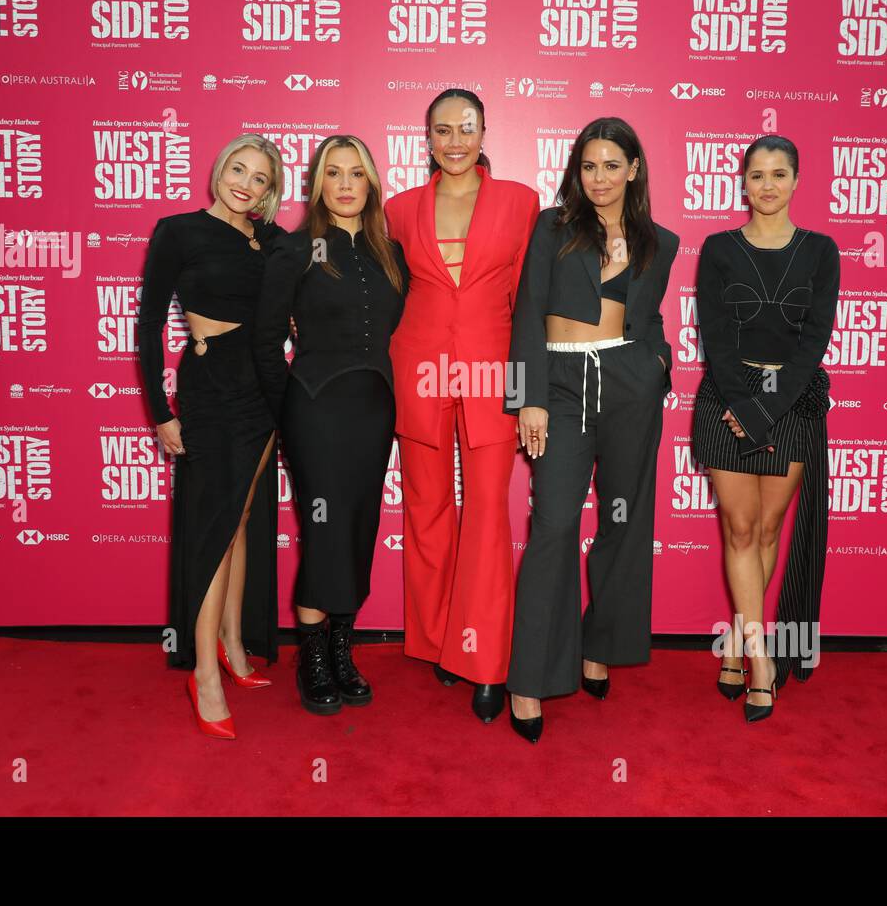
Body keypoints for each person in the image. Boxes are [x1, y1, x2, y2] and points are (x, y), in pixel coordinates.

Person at [504, 117, 678, 743]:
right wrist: (528, 398)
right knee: (553, 523)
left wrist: (658, 366)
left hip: (630, 385)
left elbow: (649, 316)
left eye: (611, 165)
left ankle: (599, 644)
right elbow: (527, 311)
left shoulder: (660, 240)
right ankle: (530, 678)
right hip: (559, 384)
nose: (599, 178)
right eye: (589, 166)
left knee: (623, 522)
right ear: (576, 171)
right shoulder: (553, 229)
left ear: (633, 169)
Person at [384, 88, 540, 723]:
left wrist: (525, 391)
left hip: (492, 375)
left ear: (483, 133)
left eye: (465, 129)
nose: (454, 141)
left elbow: (530, 308)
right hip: (417, 370)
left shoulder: (521, 203)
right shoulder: (397, 210)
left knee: (485, 517)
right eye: (442, 130)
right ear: (426, 139)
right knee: (424, 510)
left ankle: (481, 657)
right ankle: (437, 640)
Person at [137, 134, 286, 739]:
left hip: (266, 388)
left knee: (243, 516)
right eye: (237, 169)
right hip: (212, 390)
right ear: (218, 169)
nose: (244, 183)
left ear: (270, 191)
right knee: (213, 529)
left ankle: (232, 643)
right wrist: (160, 411)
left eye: (259, 177)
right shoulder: (179, 231)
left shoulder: (273, 241)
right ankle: (203, 673)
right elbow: (147, 325)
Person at [254, 135, 409, 715]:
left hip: (374, 410)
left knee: (360, 524)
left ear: (370, 183)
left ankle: (343, 649)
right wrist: (280, 416)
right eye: (333, 173)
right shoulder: (297, 251)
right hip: (314, 408)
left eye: (356, 174)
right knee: (323, 527)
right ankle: (313, 655)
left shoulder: (391, 253)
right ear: (316, 183)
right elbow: (268, 343)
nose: (345, 184)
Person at [690, 134, 840, 724]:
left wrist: (768, 407)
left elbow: (813, 343)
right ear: (743, 182)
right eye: (757, 175)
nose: (768, 185)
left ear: (797, 181)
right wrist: (745, 405)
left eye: (779, 174)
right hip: (727, 399)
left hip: (795, 402)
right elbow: (716, 339)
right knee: (741, 528)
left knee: (770, 526)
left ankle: (733, 640)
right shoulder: (720, 247)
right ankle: (758, 660)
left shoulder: (821, 251)